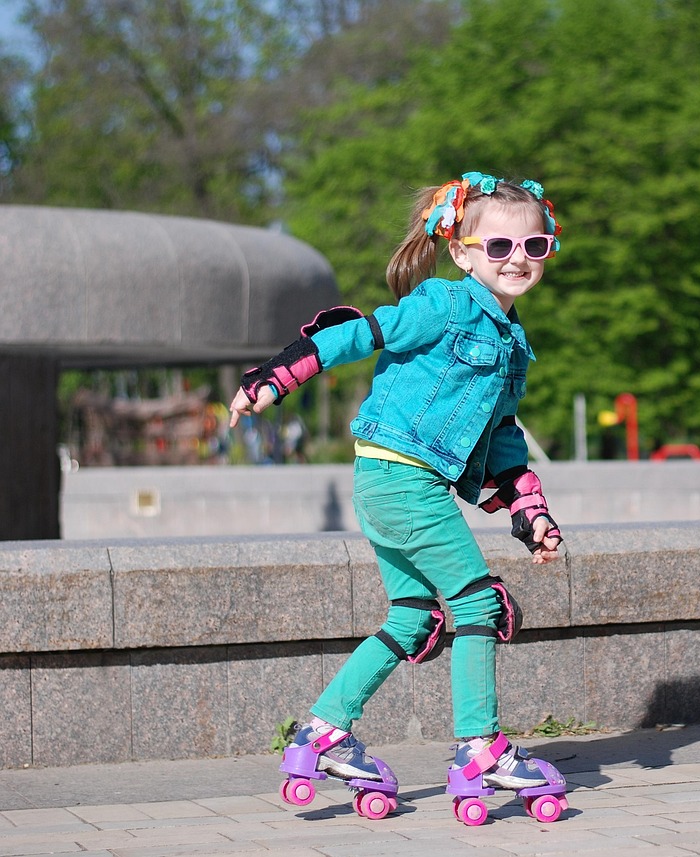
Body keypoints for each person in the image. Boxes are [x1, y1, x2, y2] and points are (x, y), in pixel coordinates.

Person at [229, 171, 564, 797]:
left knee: (413, 615)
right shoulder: (443, 303)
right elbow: (361, 333)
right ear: (463, 252)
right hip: (405, 480)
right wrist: (275, 379)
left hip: (392, 484)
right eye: (499, 247)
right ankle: (481, 747)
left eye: (533, 246)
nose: (517, 259)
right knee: (477, 604)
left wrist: (532, 512)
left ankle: (324, 732)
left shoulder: (512, 344)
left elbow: (502, 438)